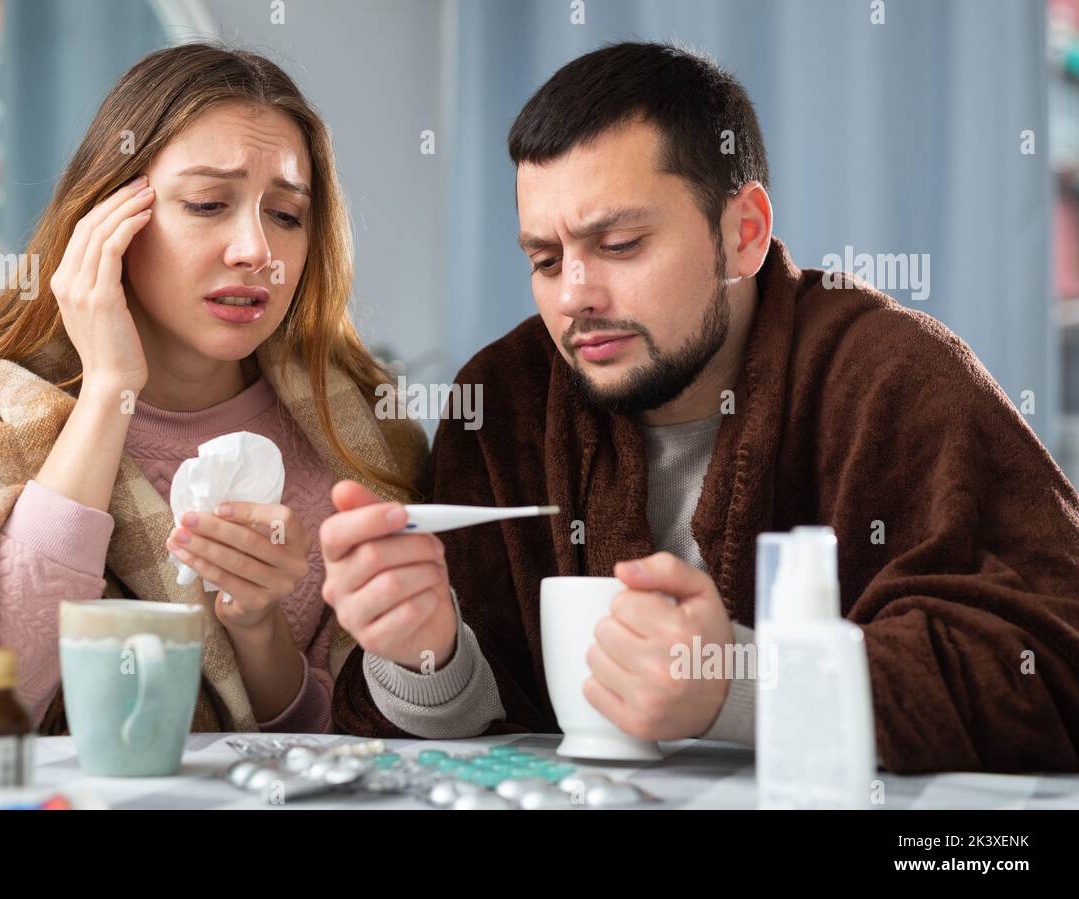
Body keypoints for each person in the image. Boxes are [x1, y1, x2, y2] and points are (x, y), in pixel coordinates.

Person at [321, 42, 1079, 774]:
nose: (572, 294)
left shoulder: (892, 375)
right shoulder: (505, 401)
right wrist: (427, 656)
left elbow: (1049, 666)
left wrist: (738, 684)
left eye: (618, 243)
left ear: (743, 233)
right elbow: (482, 728)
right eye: (545, 259)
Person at [0, 44, 426, 735]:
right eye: (209, 203)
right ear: (107, 220)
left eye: (287, 215)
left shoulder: (362, 438)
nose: (256, 251)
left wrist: (256, 626)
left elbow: (343, 739)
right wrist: (110, 390)